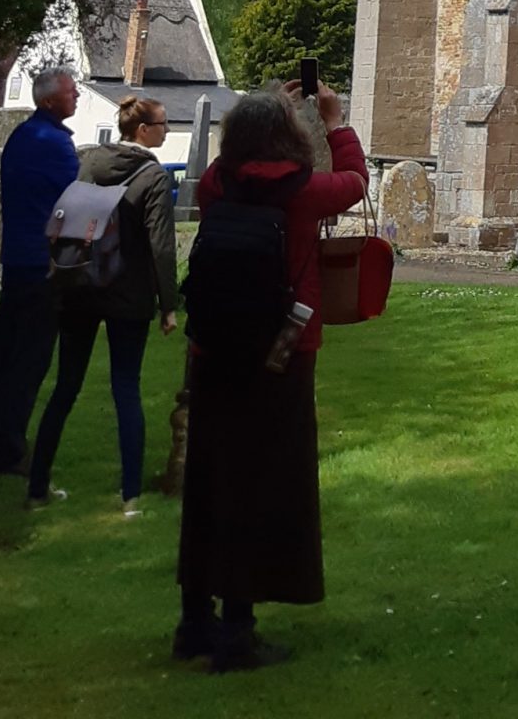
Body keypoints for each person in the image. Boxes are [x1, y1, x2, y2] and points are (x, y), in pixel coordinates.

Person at [175, 82, 367, 674]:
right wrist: (332, 122)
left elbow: (231, 164)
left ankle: (194, 619)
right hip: (281, 354)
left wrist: (259, 105)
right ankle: (237, 631)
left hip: (213, 350)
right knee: (261, 484)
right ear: (287, 136)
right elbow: (356, 183)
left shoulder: (216, 185)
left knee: (211, 479)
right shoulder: (304, 192)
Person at [25, 93, 179, 513]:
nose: (166, 131)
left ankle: (37, 489)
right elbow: (162, 247)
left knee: (64, 389)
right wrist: (169, 305)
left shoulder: (89, 162)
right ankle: (130, 499)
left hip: (79, 287)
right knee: (126, 390)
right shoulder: (153, 177)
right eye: (163, 124)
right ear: (143, 131)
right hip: (128, 296)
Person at [0, 67, 79, 474]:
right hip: (43, 262)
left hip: (16, 258)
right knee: (29, 360)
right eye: (71, 92)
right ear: (50, 101)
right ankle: (9, 447)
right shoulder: (55, 144)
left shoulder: (22, 136)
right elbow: (71, 201)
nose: (77, 96)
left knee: (2, 354)